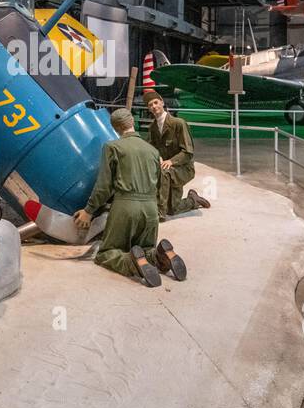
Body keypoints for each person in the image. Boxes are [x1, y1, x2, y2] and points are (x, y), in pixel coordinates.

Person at [73, 108, 186, 287]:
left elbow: (104, 186)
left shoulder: (112, 147)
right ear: (132, 122)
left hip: (126, 207)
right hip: (150, 210)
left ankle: (132, 264)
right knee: (145, 248)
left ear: (116, 128)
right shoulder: (152, 151)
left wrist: (89, 211)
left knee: (106, 252)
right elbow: (160, 185)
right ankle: (158, 256)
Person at [143, 90, 210, 219]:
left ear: (162, 102)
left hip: (183, 168)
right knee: (174, 209)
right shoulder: (153, 128)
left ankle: (160, 212)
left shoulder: (178, 124)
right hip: (167, 170)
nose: (154, 106)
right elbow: (150, 148)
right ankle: (193, 200)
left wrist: (171, 161)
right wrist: (158, 157)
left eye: (156, 102)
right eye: (150, 105)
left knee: (164, 172)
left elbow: (188, 152)